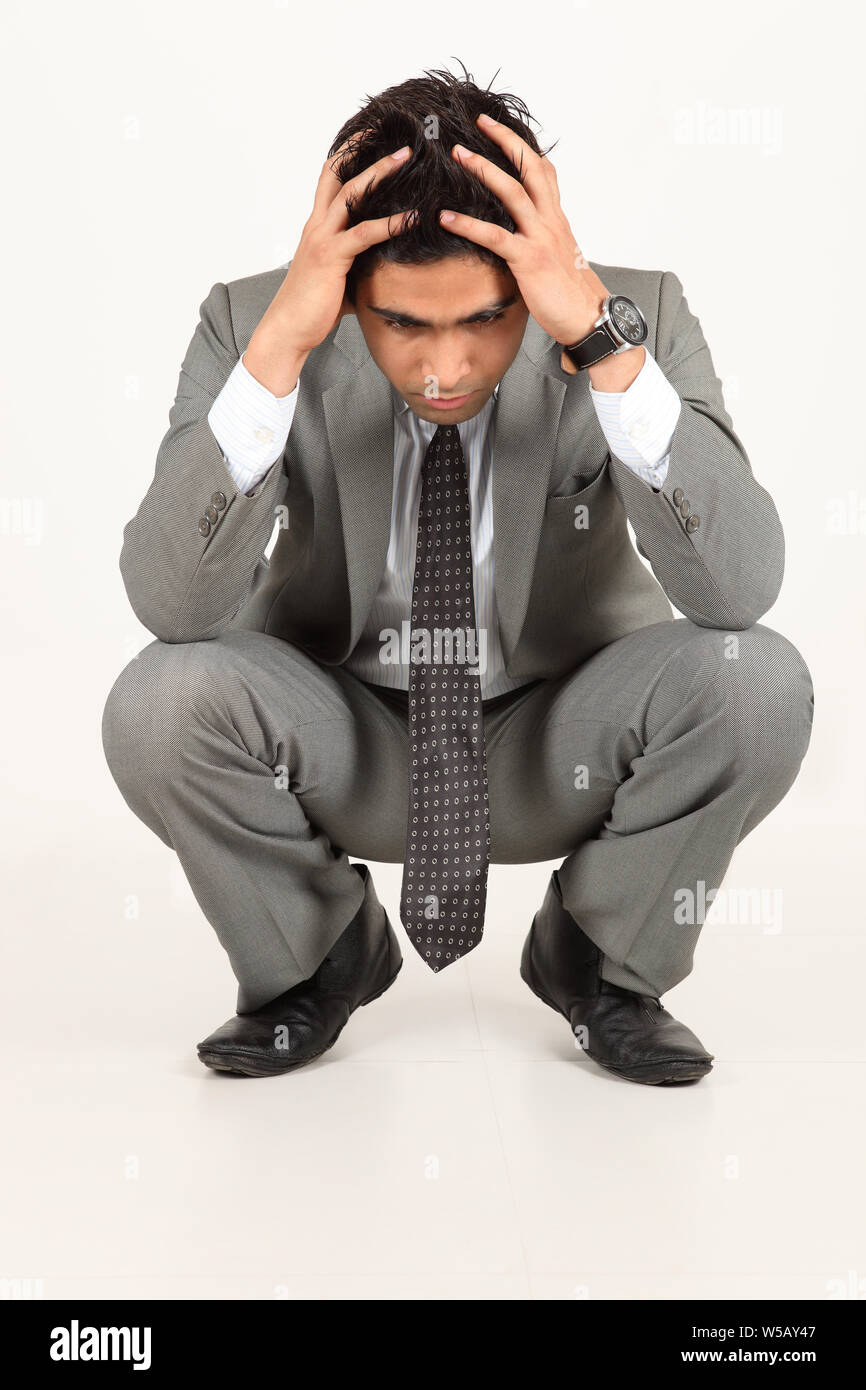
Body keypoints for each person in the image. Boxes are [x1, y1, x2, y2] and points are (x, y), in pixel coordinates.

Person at [101, 64, 814, 1086]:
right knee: (156, 703)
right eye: (402, 325)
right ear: (351, 297)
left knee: (757, 678)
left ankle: (602, 960)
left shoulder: (630, 311)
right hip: (346, 741)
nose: (444, 368)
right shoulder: (252, 322)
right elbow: (170, 603)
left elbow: (738, 590)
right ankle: (315, 953)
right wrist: (276, 359)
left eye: (482, 320)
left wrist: (602, 347)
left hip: (554, 739)